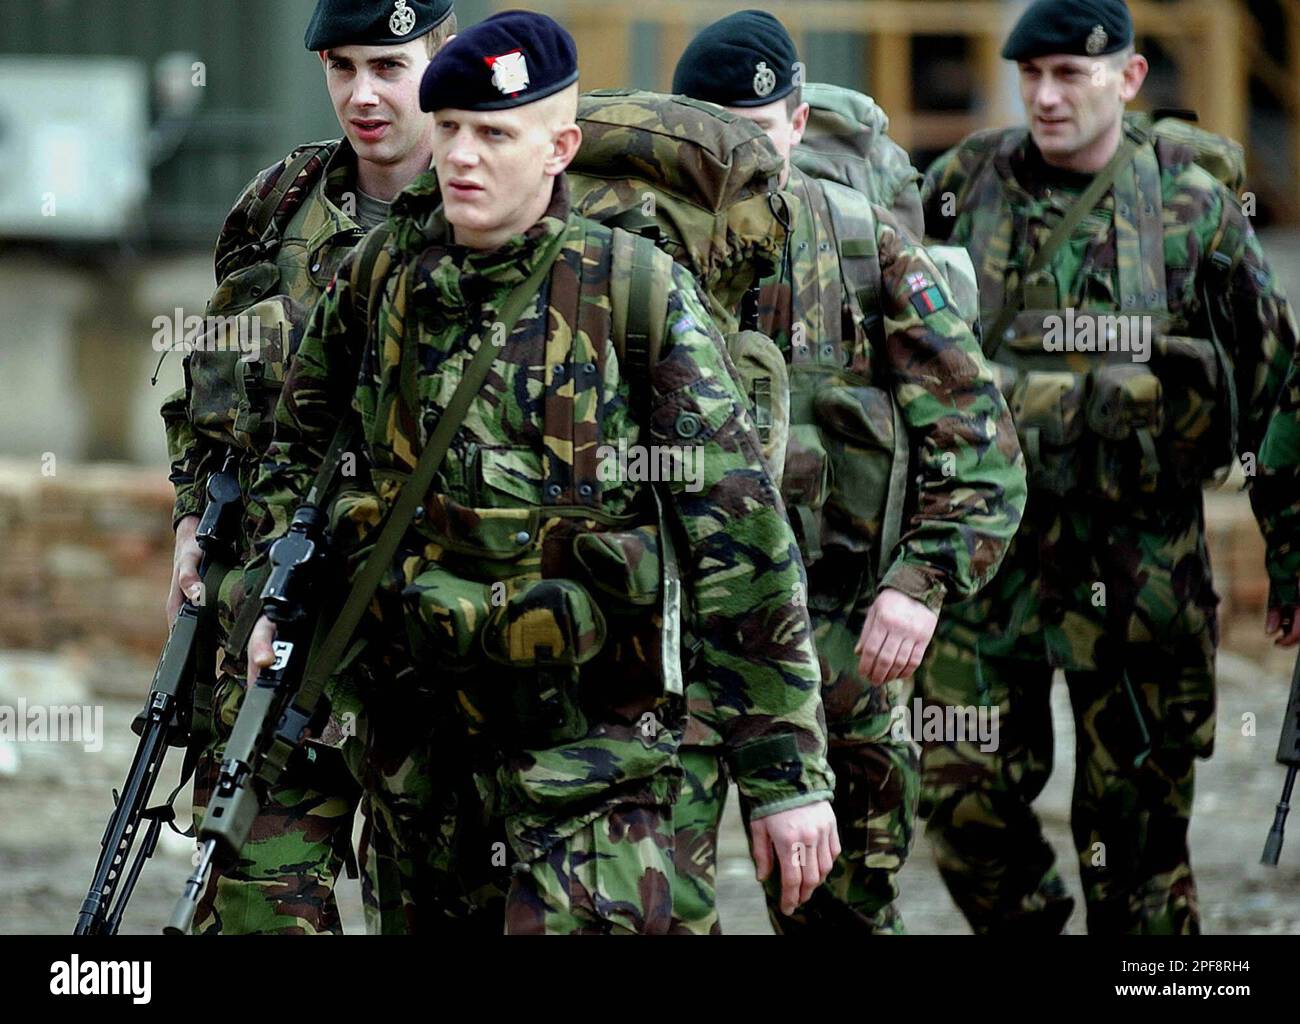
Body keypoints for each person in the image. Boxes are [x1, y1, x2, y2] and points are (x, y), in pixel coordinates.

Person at [242, 9, 839, 935]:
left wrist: (786, 776)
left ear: (559, 146)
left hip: (592, 755)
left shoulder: (635, 290)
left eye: (494, 134)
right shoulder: (382, 278)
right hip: (421, 757)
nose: (463, 158)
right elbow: (299, 450)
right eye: (449, 131)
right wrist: (277, 604)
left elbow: (741, 540)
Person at [918, 0, 1300, 933]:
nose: (1046, 98)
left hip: (1139, 561)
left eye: (1070, 75)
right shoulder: (961, 184)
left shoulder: (1194, 204)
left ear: (1128, 78)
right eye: (1032, 75)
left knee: (1135, 840)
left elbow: (1274, 384)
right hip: (988, 554)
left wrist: (1291, 553)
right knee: (962, 800)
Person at [670, 9, 1026, 934]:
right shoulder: (634, 259)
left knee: (843, 918)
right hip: (675, 660)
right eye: (712, 136)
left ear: (795, 122)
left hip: (839, 655)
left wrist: (922, 582)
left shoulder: (866, 247)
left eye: (758, 135)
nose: (737, 160)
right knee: (650, 912)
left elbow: (981, 443)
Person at [158, 0, 459, 934]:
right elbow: (210, 391)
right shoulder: (278, 204)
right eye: (341, 68)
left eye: (389, 65)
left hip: (428, 637)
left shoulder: (492, 205)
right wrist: (187, 523)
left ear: (443, 54)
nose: (362, 95)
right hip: (272, 631)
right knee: (253, 910)